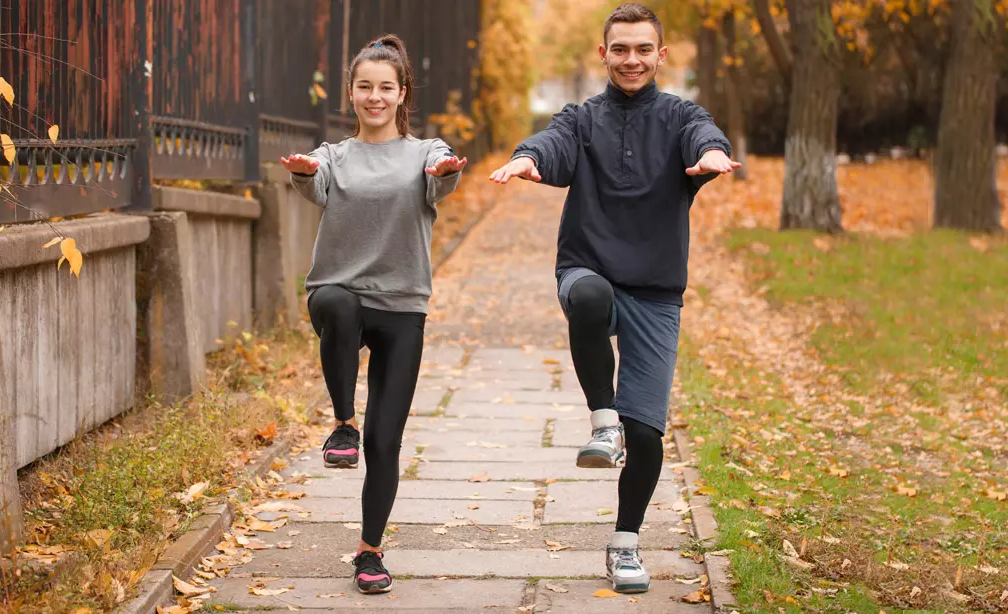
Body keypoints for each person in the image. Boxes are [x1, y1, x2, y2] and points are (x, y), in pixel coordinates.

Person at [489, 3, 739, 595]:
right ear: (603, 54)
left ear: (660, 55)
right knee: (590, 297)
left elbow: (705, 133)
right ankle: (603, 423)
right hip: (589, 266)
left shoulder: (681, 116)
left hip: (655, 289)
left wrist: (708, 156)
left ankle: (625, 544)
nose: (631, 59)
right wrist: (528, 159)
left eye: (642, 49)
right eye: (620, 49)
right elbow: (552, 143)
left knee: (648, 435)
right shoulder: (582, 119)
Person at [282, 34, 467, 595]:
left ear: (402, 92)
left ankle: (370, 551)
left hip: (402, 306)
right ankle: (342, 423)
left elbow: (445, 171)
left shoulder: (425, 152)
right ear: (352, 91)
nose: (374, 96)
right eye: (365, 86)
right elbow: (312, 182)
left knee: (386, 441)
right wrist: (300, 170)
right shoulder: (335, 156)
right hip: (339, 296)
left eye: (385, 87)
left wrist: (446, 172)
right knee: (337, 301)